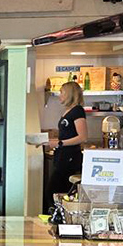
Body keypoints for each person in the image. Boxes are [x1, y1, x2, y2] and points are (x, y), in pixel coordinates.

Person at [44, 81, 88, 212]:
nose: (59, 95)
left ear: (69, 94)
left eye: (62, 92)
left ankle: (60, 218)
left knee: (53, 191)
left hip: (70, 158)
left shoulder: (78, 111)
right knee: (57, 191)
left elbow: (83, 137)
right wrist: (49, 141)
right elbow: (66, 135)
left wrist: (60, 143)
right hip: (62, 156)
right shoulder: (68, 111)